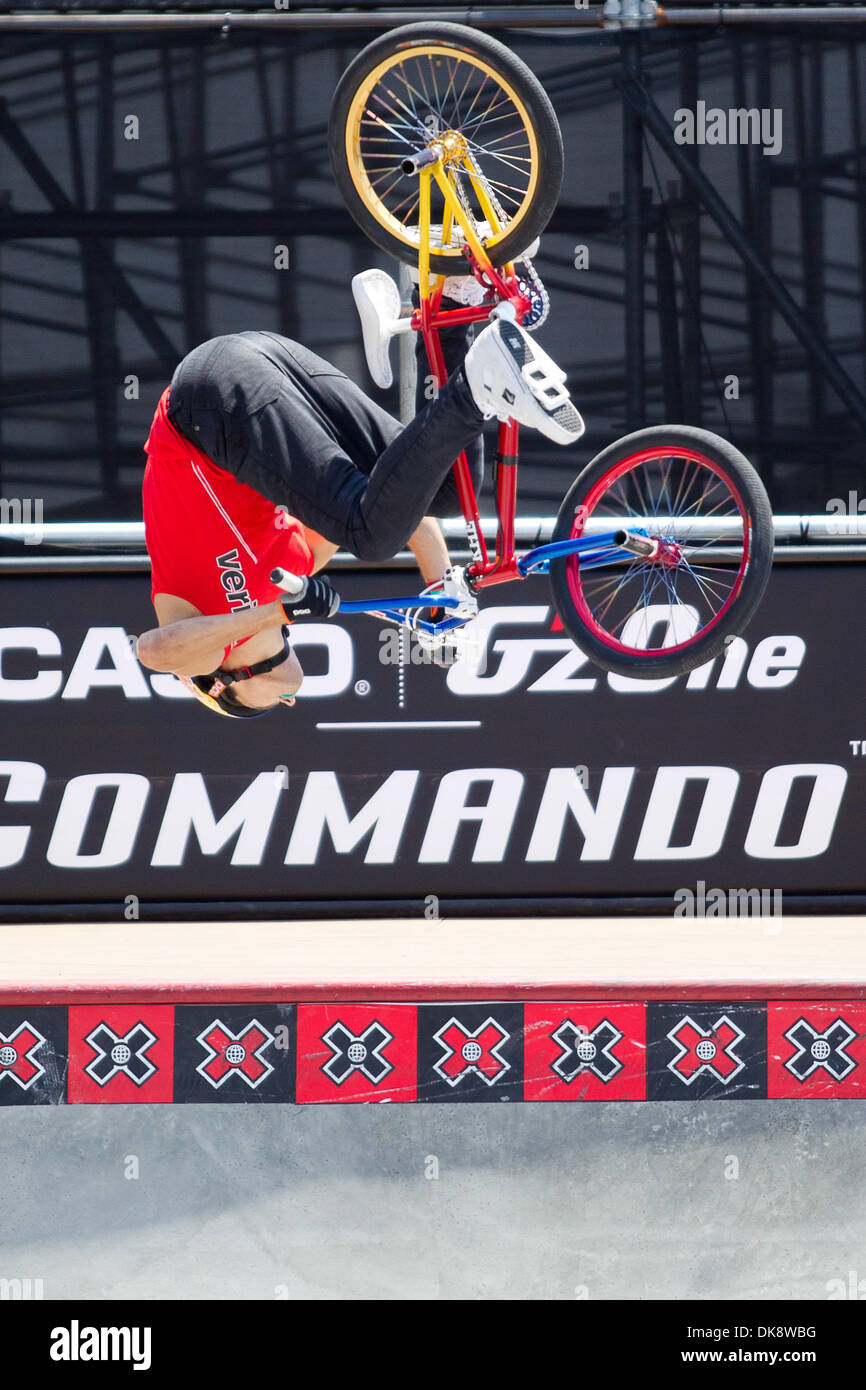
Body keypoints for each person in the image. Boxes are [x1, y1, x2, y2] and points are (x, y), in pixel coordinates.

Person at [137, 281, 583, 718]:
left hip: (206, 407)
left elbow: (153, 652)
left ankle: (473, 387)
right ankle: (451, 304)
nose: (288, 701)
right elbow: (404, 511)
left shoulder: (203, 653)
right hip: (264, 365)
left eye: (257, 709)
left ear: (221, 685)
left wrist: (275, 615)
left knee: (371, 539)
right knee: (447, 491)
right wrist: (441, 591)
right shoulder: (298, 567)